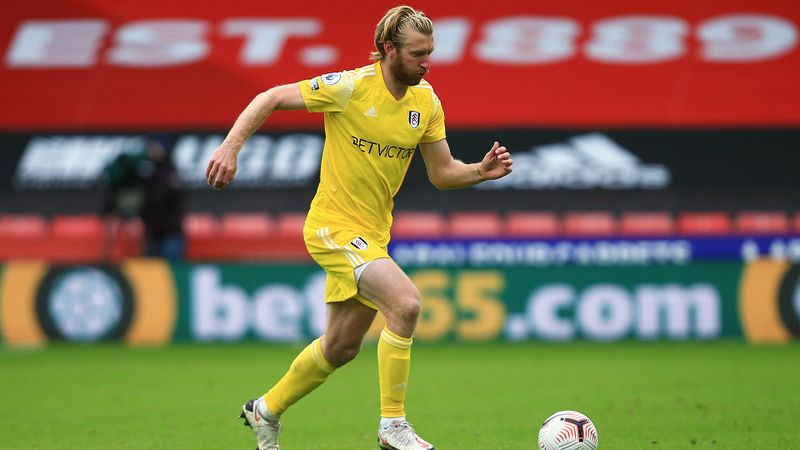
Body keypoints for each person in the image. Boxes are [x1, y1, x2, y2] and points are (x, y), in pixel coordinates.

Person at [205, 6, 512, 450]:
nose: (428, 62)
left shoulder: (426, 101)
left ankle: (264, 410)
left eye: (430, 53)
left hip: (373, 236)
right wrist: (231, 148)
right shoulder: (348, 87)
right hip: (332, 227)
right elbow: (270, 96)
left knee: (341, 347)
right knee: (405, 304)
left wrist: (480, 171)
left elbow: (443, 173)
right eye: (418, 53)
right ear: (389, 50)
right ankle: (393, 425)